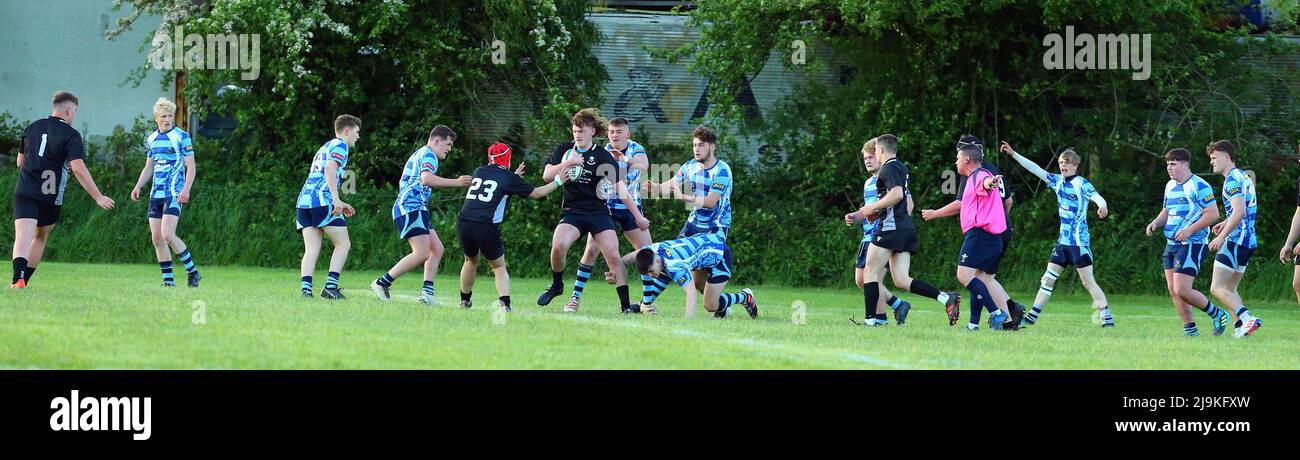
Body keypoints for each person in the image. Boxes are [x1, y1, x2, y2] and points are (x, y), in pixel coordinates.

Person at [1001, 141, 1114, 328]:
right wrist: (1014, 154)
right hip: (1062, 242)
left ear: (1075, 166)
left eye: (1067, 162)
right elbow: (1034, 168)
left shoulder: (1081, 183)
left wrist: (1102, 205)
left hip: (1078, 242)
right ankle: (1032, 317)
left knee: (1088, 282)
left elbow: (1096, 197)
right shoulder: (1056, 181)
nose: (1063, 165)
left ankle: (1106, 317)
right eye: (1061, 162)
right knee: (1047, 278)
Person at [537, 108, 638, 313]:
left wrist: (638, 216)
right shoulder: (564, 150)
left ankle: (625, 306)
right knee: (558, 246)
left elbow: (620, 188)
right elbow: (547, 175)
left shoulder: (602, 155)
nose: (577, 134)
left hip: (598, 213)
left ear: (592, 131)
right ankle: (557, 285)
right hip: (572, 212)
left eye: (581, 131)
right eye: (575, 131)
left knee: (612, 253)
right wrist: (568, 163)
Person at [11, 91, 116, 288]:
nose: (74, 114)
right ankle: (22, 282)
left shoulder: (31, 127)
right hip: (49, 195)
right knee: (40, 237)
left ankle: (18, 280)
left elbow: (20, 162)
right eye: (75, 110)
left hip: (24, 190)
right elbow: (78, 168)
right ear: (68, 110)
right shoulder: (71, 134)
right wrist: (98, 196)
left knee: (22, 238)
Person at [855, 134, 961, 327]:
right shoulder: (900, 167)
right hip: (904, 227)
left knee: (869, 272)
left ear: (881, 150)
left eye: (875, 151)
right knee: (902, 280)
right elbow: (899, 200)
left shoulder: (888, 167)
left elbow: (896, 194)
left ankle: (871, 320)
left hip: (890, 228)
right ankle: (946, 298)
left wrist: (872, 208)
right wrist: (876, 213)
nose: (874, 155)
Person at [457, 143, 568, 310]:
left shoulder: (479, 171)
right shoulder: (508, 178)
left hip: (464, 222)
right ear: (507, 158)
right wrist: (558, 181)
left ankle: (464, 301)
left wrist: (513, 177)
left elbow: (497, 186)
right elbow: (537, 193)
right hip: (485, 225)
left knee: (470, 260)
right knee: (499, 266)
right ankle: (505, 304)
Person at [370, 125, 471, 304]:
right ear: (436, 141)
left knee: (437, 249)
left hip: (417, 207)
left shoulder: (424, 153)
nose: (449, 149)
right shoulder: (429, 155)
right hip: (410, 206)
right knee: (422, 253)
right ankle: (382, 283)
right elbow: (426, 178)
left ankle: (427, 294)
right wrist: (456, 182)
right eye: (448, 144)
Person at [563, 117, 651, 312]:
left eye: (619, 132)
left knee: (647, 251)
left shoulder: (636, 149)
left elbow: (643, 166)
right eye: (611, 132)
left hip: (630, 207)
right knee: (591, 250)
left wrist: (623, 158)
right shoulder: (600, 151)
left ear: (628, 134)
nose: (614, 135)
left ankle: (647, 303)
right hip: (605, 208)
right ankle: (575, 298)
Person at [1145, 148, 1231, 336]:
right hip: (1172, 244)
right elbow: (1166, 212)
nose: (1169, 167)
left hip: (1193, 244)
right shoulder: (1170, 186)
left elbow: (1213, 214)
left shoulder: (1199, 186)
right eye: (1168, 164)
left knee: (1182, 288)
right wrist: (1155, 223)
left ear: (1185, 164)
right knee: (1173, 290)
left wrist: (1189, 231)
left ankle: (1218, 314)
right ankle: (1190, 330)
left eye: (1173, 164)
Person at [130, 97, 201, 287]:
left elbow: (191, 167)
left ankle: (193, 272)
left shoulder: (181, 136)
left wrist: (186, 189)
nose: (168, 119)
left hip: (174, 193)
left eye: (170, 116)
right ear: (156, 118)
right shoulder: (152, 139)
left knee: (168, 234)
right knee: (157, 238)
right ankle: (168, 282)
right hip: (156, 194)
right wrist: (138, 186)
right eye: (164, 116)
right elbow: (148, 167)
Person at [843, 137, 911, 325]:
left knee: (873, 277)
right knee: (861, 280)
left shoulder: (890, 175)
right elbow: (870, 209)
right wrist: (856, 216)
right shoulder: (867, 183)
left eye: (871, 156)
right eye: (865, 158)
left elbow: (906, 202)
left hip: (883, 233)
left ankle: (879, 319)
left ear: (880, 154)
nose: (868, 161)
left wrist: (898, 224)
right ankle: (897, 304)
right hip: (868, 234)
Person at [296, 115, 360, 299]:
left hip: (304, 202)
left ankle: (306, 291)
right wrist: (335, 199)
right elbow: (330, 169)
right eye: (356, 132)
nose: (358, 137)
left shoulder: (325, 146)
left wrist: (339, 200)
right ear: (347, 131)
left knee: (312, 249)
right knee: (343, 244)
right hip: (322, 201)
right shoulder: (341, 145)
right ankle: (330, 288)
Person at [1204, 140, 1262, 338]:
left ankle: (1247, 318)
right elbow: (1241, 211)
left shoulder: (1231, 181)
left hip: (1236, 240)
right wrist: (1226, 221)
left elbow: (1240, 211)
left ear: (1227, 157)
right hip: (1248, 240)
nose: (1211, 162)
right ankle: (1241, 329)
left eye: (1214, 158)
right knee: (1230, 289)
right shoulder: (1242, 176)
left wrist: (1222, 236)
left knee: (1217, 287)